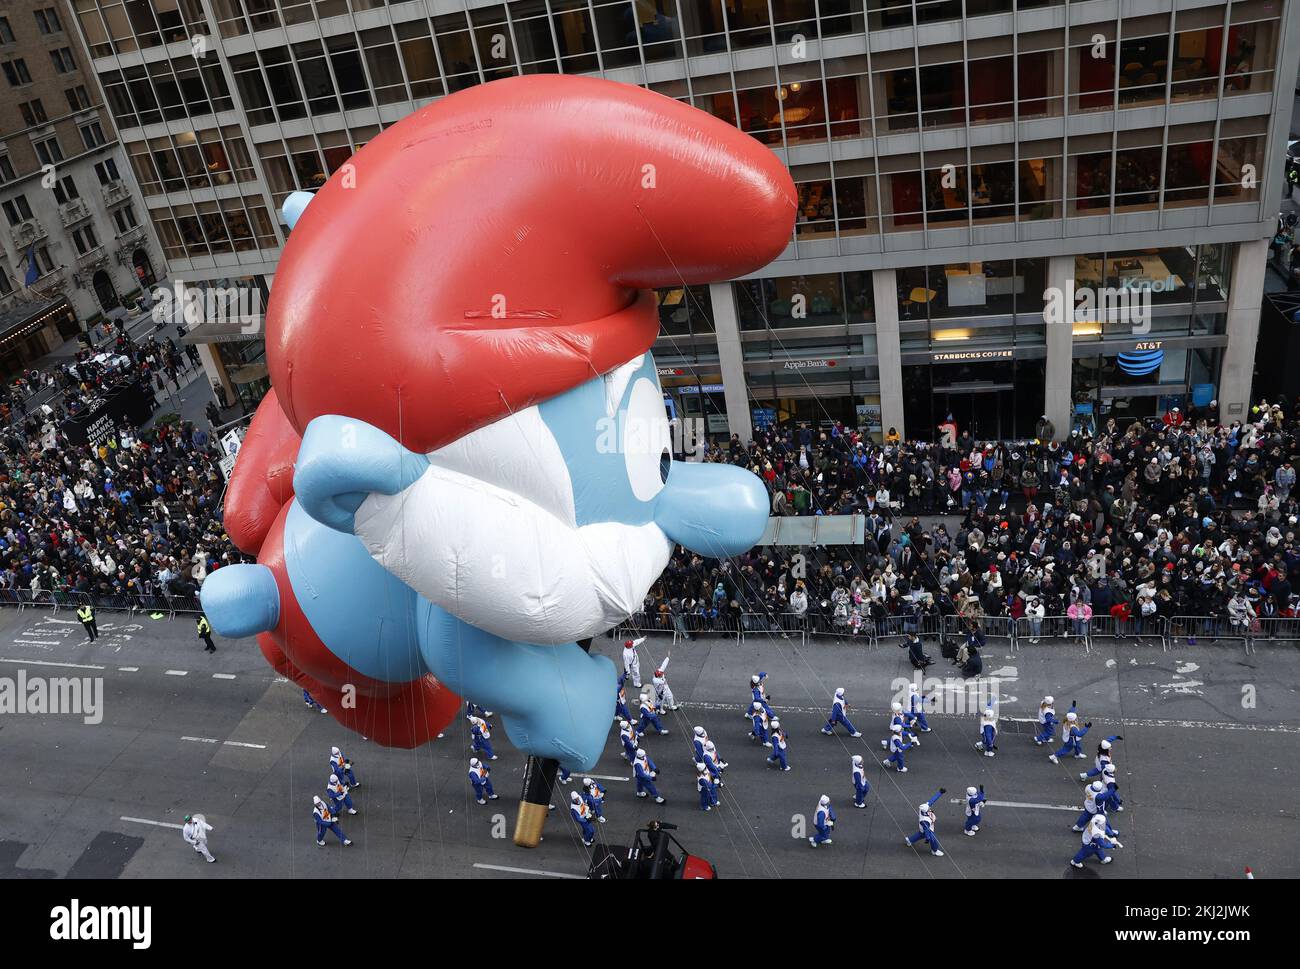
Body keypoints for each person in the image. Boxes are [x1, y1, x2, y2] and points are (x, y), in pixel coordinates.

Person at [905, 790, 946, 856]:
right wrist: (927, 838)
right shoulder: (925, 820)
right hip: (929, 830)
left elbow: (932, 800)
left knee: (920, 835)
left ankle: (909, 840)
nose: (930, 806)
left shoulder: (923, 808)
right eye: (929, 807)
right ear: (927, 810)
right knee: (934, 840)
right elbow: (926, 829)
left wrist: (940, 793)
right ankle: (934, 851)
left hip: (923, 829)